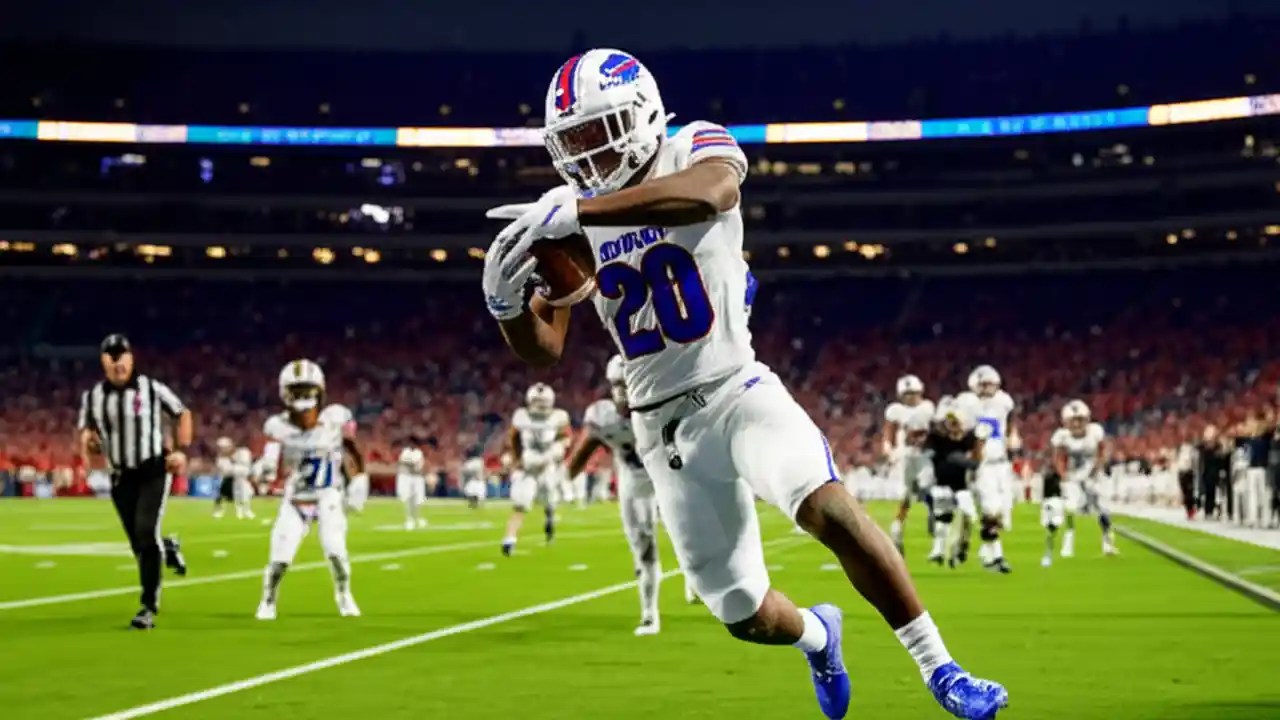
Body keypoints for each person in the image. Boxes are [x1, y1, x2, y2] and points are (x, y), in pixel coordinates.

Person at [480, 48, 1006, 720]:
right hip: (658, 427)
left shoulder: (690, 147)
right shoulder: (572, 218)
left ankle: (942, 669)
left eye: (597, 133)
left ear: (640, 114)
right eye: (573, 144)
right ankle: (820, 634)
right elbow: (544, 349)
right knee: (743, 612)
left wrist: (584, 211)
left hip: (736, 390)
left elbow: (711, 194)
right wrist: (505, 308)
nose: (588, 156)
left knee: (830, 509)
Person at [77, 333, 192, 630]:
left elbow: (182, 413)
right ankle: (167, 547)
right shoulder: (94, 398)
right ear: (104, 361)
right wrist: (89, 450)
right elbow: (87, 432)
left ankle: (148, 606)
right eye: (111, 356)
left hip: (152, 470)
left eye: (122, 355)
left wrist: (181, 451)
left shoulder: (152, 389)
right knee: (139, 543)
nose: (118, 362)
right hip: (120, 477)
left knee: (144, 530)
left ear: (131, 358)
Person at [255, 359, 364, 620]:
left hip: (328, 495)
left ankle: (344, 593)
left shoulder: (335, 419)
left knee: (336, 551)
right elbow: (270, 460)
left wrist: (358, 481)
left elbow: (352, 451)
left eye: (308, 391)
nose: (303, 398)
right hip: (296, 498)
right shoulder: (277, 427)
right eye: (297, 392)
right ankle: (268, 599)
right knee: (280, 559)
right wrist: (263, 469)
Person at [566, 354, 664, 635]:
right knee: (644, 549)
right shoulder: (602, 416)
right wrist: (563, 482)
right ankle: (649, 614)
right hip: (634, 484)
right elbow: (581, 454)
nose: (622, 392)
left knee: (691, 542)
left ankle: (693, 581)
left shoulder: (663, 409)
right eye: (616, 385)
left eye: (628, 383)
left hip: (670, 479)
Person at [956, 366, 1017, 572]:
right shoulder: (966, 402)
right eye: (983, 384)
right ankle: (994, 556)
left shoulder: (1003, 401)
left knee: (1003, 512)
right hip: (982, 464)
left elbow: (1010, 421)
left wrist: (1013, 437)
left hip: (1002, 463)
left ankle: (977, 547)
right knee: (990, 509)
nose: (987, 388)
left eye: (990, 384)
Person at [501, 383, 570, 556]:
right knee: (520, 504)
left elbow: (566, 438)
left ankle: (549, 520)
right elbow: (513, 438)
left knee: (549, 501)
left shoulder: (558, 417)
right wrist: (516, 459)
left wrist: (558, 449)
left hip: (548, 464)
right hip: (528, 464)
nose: (540, 405)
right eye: (537, 401)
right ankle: (510, 538)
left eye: (543, 402)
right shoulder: (521, 416)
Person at [1046, 400, 1115, 564]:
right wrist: (1064, 475)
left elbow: (1102, 452)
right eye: (1073, 420)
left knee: (1102, 507)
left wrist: (1096, 470)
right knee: (1070, 507)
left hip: (1094, 473)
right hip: (1073, 474)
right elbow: (1058, 458)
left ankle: (1107, 540)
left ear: (1087, 419)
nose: (1077, 424)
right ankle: (1068, 539)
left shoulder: (1095, 432)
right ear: (1066, 421)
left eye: (1080, 419)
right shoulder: (1061, 436)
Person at [922, 399, 985, 568]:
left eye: (955, 421)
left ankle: (961, 546)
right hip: (942, 483)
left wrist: (976, 450)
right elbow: (927, 455)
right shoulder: (936, 439)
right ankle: (938, 551)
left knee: (969, 516)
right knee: (943, 519)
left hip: (961, 484)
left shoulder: (968, 438)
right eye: (949, 421)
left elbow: (977, 462)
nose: (952, 424)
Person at [883, 375, 936, 556]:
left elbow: (935, 431)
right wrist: (889, 450)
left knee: (927, 487)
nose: (911, 397)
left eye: (913, 393)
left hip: (925, 455)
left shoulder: (928, 408)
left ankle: (932, 513)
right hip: (905, 455)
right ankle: (896, 531)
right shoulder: (895, 410)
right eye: (907, 394)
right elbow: (888, 433)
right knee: (905, 497)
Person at [397, 443, 428, 530]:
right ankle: (409, 519)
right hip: (407, 477)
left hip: (417, 477)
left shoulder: (418, 453)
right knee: (407, 497)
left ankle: (418, 518)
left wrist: (408, 462)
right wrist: (409, 462)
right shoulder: (405, 451)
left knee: (418, 499)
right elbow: (402, 462)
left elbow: (416, 465)